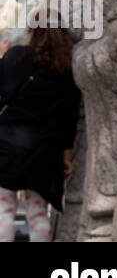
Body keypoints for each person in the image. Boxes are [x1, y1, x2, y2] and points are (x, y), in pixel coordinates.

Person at [0, 24, 81, 242]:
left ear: (32, 32)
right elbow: (69, 118)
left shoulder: (16, 56)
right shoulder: (66, 69)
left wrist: (1, 59)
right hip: (45, 152)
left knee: (3, 210)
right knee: (38, 214)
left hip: (8, 146)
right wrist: (65, 156)